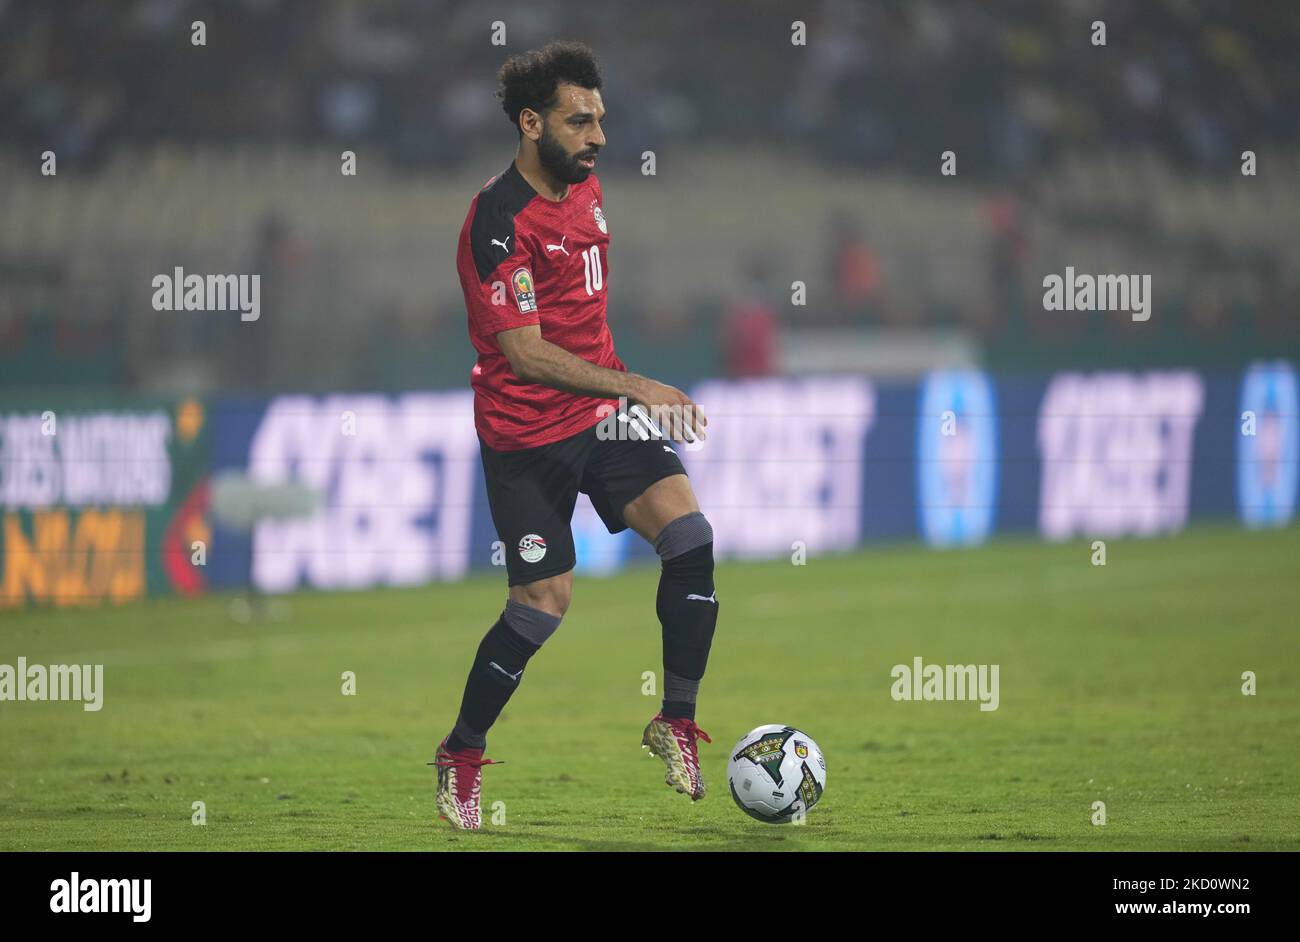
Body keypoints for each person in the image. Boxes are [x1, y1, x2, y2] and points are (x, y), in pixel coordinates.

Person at [437, 41, 719, 829]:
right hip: (525, 435)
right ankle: (461, 752)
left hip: (600, 416)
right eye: (579, 120)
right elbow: (521, 352)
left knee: (690, 537)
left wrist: (620, 388)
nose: (597, 136)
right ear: (531, 124)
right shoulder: (498, 221)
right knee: (540, 606)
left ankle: (676, 721)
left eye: (600, 119)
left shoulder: (586, 189)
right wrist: (637, 384)